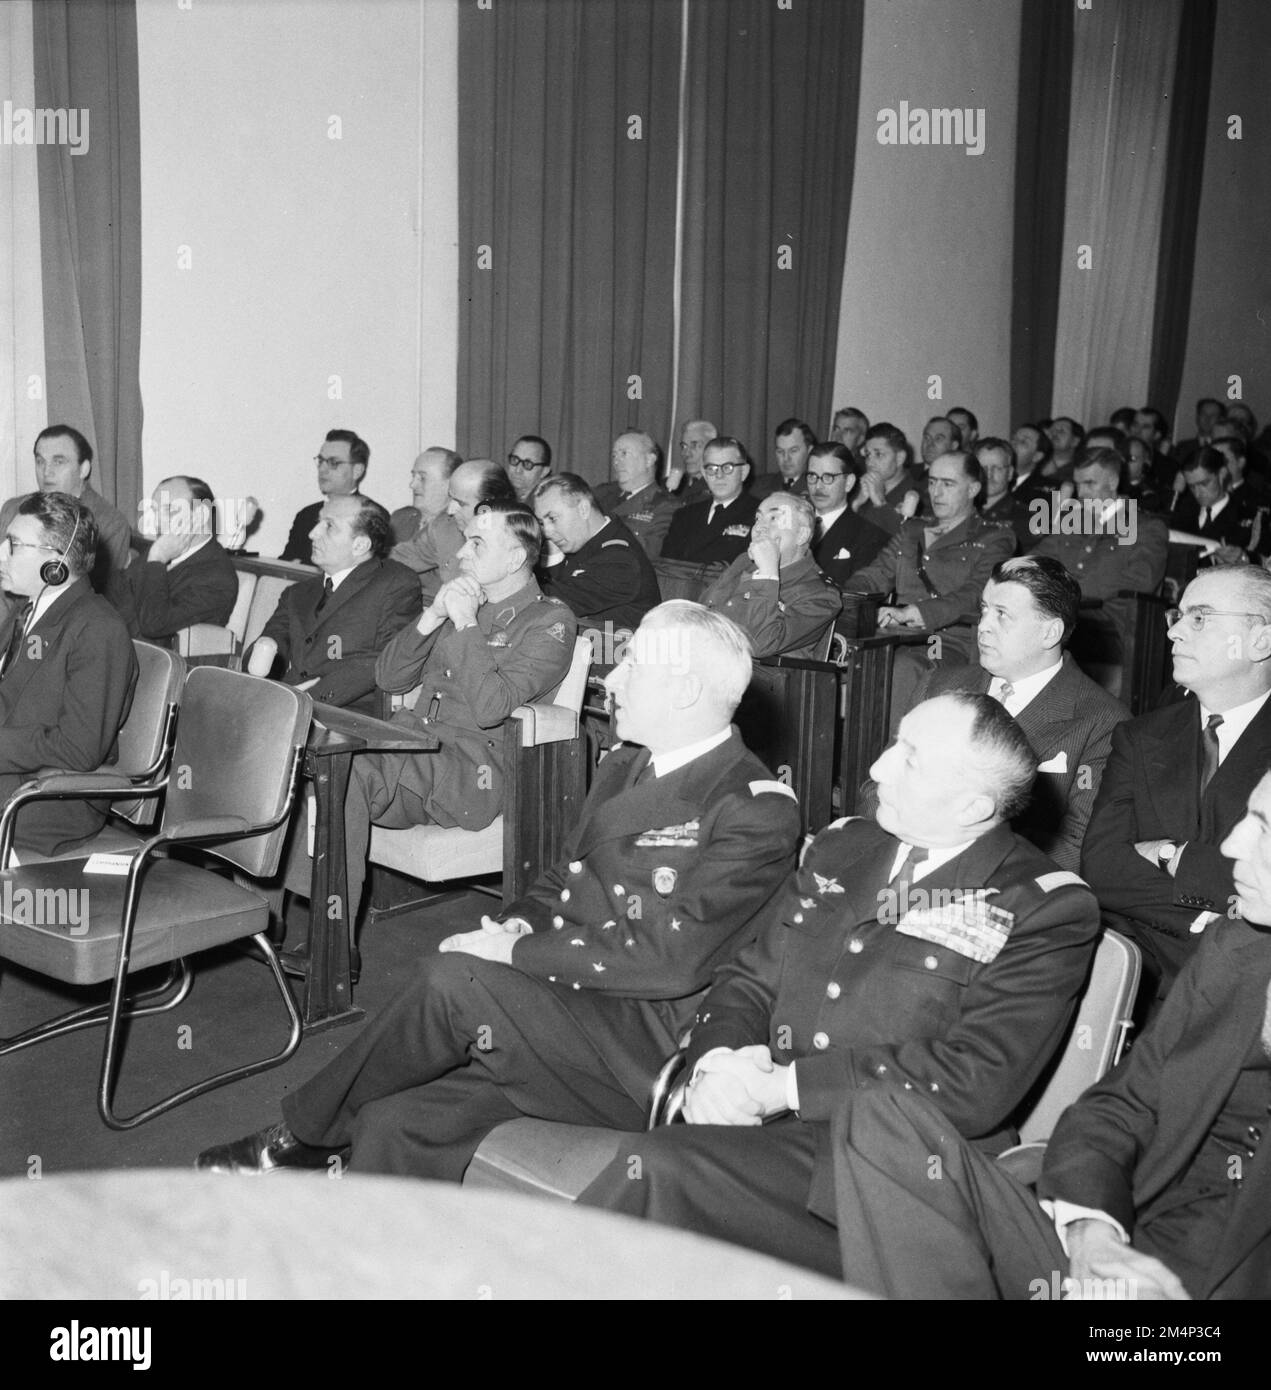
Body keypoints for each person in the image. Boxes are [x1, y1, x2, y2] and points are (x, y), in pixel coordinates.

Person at [196, 603, 803, 1178]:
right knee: (394, 1123)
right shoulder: (626, 763)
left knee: (452, 977)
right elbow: (562, 878)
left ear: (685, 691)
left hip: (640, 1051)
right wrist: (518, 924)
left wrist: (510, 955)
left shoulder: (751, 808)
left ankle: (296, 1137)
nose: (611, 679)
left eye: (634, 664)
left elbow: (668, 960)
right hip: (570, 1005)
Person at [575, 691, 1101, 1276]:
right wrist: (716, 1063)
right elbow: (749, 980)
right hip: (767, 1124)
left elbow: (975, 1083)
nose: (877, 767)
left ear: (972, 806)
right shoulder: (842, 846)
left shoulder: (1042, 906)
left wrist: (788, 1087)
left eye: (910, 756)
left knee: (655, 1170)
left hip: (889, 1171)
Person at [830, 768, 1271, 1301]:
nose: (1231, 843)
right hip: (1105, 1252)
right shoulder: (1239, 949)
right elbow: (1118, 1108)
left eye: (1265, 827)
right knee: (881, 1111)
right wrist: (1094, 1229)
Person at [1082, 564, 1271, 1005]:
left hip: (1251, 989)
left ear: (1261, 639)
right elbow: (1102, 866)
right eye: (1178, 616)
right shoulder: (1141, 735)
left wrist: (1171, 853)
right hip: (1142, 977)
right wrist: (1211, 908)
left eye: (1200, 617)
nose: (1175, 633)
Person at [911, 555, 1128, 871]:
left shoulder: (1104, 722)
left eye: (1002, 615)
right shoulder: (940, 683)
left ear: (1050, 633)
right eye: (985, 609)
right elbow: (879, 786)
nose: (983, 626)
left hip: (1005, 891)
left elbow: (1075, 847)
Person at [0, 493, 138, 856]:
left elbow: (77, 750)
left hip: (47, 796)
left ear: (55, 562)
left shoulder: (98, 628)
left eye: (13, 544)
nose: (1, 552)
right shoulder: (26, 611)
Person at [844, 451, 1015, 714]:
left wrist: (911, 613)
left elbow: (975, 593)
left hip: (946, 641)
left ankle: (897, 751)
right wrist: (844, 597)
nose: (936, 492)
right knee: (855, 657)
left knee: (902, 665)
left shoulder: (994, 537)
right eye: (933, 482)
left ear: (973, 488)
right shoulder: (912, 530)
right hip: (896, 636)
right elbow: (874, 574)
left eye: (948, 484)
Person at [247, 494, 419, 714]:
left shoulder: (395, 584)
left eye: (329, 526)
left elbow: (382, 660)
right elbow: (270, 641)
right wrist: (259, 660)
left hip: (344, 716)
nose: (312, 534)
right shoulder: (298, 593)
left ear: (360, 545)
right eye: (318, 523)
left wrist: (306, 700)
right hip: (284, 706)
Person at [1032, 447, 1169, 695]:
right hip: (1067, 618)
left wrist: (1064, 594)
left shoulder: (1147, 527)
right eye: (1078, 484)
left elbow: (1141, 581)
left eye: (1090, 483)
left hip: (1112, 627)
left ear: (1114, 482)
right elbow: (1036, 561)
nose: (1081, 493)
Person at [701, 493, 842, 658]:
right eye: (758, 519)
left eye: (774, 518)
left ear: (801, 535)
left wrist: (768, 574)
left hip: (762, 679)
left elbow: (759, 644)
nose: (759, 527)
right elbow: (704, 609)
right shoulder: (744, 562)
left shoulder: (821, 594)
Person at [0, 425, 133, 598]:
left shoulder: (109, 523)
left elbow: (97, 594)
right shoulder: (14, 509)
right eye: (40, 461)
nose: (47, 472)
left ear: (84, 469)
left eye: (58, 461)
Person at [108, 476, 238, 647]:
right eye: (155, 511)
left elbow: (153, 624)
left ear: (200, 515)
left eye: (170, 510)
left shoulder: (218, 577)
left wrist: (157, 560)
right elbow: (115, 592)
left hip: (152, 664)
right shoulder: (164, 549)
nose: (158, 522)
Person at [533, 474, 661, 630]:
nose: (546, 531)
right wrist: (553, 554)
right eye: (541, 522)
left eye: (552, 518)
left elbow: (552, 604)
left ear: (583, 509)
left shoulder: (620, 560)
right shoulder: (581, 541)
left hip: (615, 651)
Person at [390, 457, 512, 606]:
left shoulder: (515, 540)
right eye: (451, 499)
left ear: (487, 506)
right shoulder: (445, 527)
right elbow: (397, 558)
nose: (450, 510)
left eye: (461, 503)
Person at [279, 429, 379, 566]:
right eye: (321, 461)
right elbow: (287, 566)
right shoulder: (306, 515)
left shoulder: (373, 515)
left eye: (334, 463)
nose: (322, 469)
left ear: (357, 471)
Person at [660, 437, 760, 566]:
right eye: (712, 468)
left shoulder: (759, 515)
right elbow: (666, 568)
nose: (719, 475)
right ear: (704, 473)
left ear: (744, 472)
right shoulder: (684, 515)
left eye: (727, 467)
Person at [805, 443, 888, 586]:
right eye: (812, 476)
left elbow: (857, 596)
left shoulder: (870, 538)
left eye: (828, 477)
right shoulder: (790, 523)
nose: (818, 486)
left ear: (848, 482)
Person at [592, 431, 681, 559]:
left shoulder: (667, 506)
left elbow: (648, 554)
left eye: (624, 453)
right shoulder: (602, 495)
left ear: (649, 460)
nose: (616, 461)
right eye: (614, 455)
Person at [1172, 446, 1265, 564]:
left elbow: (1264, 563)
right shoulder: (1181, 514)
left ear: (1222, 473)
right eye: (1192, 486)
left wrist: (1243, 558)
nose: (1198, 492)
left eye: (1204, 483)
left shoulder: (1247, 516)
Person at [853, 423, 926, 537]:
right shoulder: (863, 489)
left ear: (899, 458)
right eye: (867, 454)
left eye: (878, 454)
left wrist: (880, 503)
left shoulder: (918, 496)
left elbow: (906, 544)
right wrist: (856, 505)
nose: (869, 462)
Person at [388, 447, 461, 546]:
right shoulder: (401, 519)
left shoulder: (460, 526)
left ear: (450, 484)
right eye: (413, 476)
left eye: (422, 478)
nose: (412, 484)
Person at [752, 418, 815, 498]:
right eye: (780, 451)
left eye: (793, 451)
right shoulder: (758, 487)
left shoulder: (817, 489)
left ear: (809, 450)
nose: (786, 458)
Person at [666, 419, 716, 503]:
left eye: (694, 446)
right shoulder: (672, 486)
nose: (686, 453)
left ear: (713, 448)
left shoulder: (719, 488)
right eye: (683, 446)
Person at [504, 435, 552, 503]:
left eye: (528, 464)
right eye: (515, 460)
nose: (518, 470)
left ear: (544, 472)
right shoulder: (499, 495)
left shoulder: (546, 504)